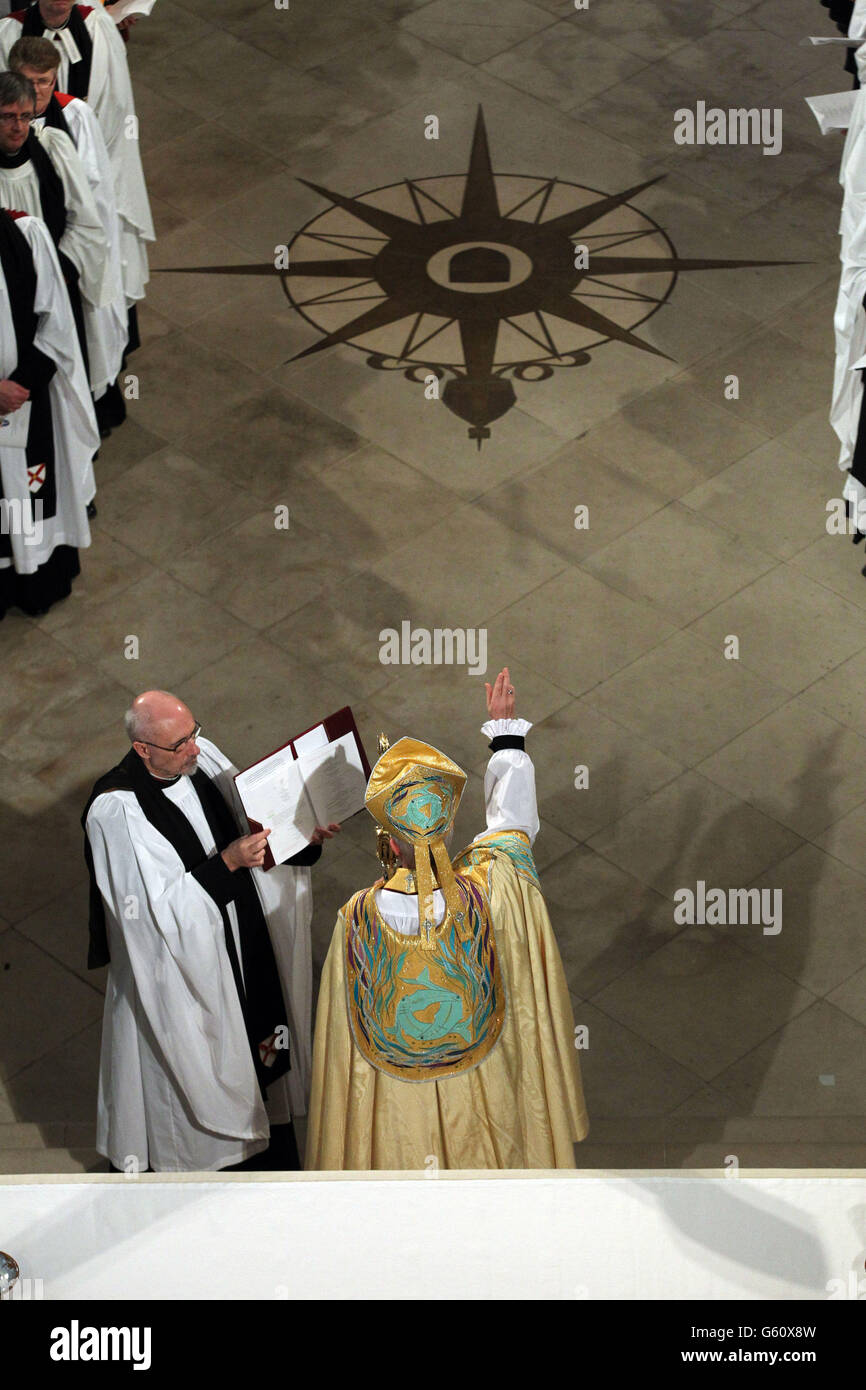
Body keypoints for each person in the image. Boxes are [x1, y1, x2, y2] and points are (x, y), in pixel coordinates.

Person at [306, 667, 589, 1170]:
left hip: (395, 1109)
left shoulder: (355, 920)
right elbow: (513, 826)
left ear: (388, 840)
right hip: (485, 1097)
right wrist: (505, 735)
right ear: (447, 822)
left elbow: (341, 1051)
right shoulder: (493, 890)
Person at [83, 691, 341, 1173]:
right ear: (143, 749)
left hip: (243, 943)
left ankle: (272, 1151)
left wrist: (300, 835)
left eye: (193, 733)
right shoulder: (117, 813)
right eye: (180, 744)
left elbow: (256, 825)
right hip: (185, 973)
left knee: (262, 1061)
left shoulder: (200, 759)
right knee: (198, 1074)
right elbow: (150, 920)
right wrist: (227, 863)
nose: (196, 750)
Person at [0, 2, 155, 320]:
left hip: (90, 169)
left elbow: (115, 108)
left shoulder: (97, 28)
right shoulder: (7, 33)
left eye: (44, 81)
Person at [10, 37, 127, 431]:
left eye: (44, 82)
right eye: (29, 82)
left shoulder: (69, 122)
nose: (37, 92)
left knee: (73, 345)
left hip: (64, 263)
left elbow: (92, 195)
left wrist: (64, 265)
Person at [0, 206, 96, 616]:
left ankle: (32, 575)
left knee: (25, 495)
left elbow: (57, 320)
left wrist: (21, 383)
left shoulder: (24, 234)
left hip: (26, 397)